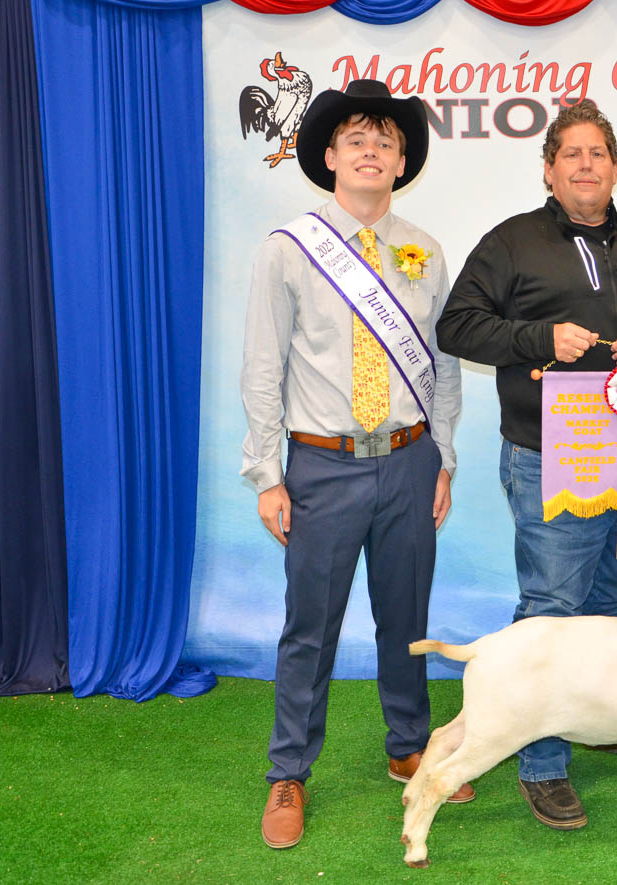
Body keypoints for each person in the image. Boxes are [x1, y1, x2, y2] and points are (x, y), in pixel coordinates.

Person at [435, 99, 617, 830]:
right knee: (553, 606)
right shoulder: (512, 242)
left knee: (616, 591)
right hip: (546, 453)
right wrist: (536, 338)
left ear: (615, 166)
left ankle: (613, 718)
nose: (586, 165)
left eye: (598, 153)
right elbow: (457, 324)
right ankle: (542, 760)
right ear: (550, 169)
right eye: (572, 154)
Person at [241, 80, 471, 851]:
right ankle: (289, 769)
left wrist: (442, 457)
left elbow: (443, 365)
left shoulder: (426, 249)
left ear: (403, 160)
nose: (372, 150)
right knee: (312, 627)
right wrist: (267, 473)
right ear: (330, 157)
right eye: (357, 139)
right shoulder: (290, 248)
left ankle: (408, 744)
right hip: (322, 467)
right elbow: (262, 366)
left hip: (408, 461)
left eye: (386, 141)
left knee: (405, 616)